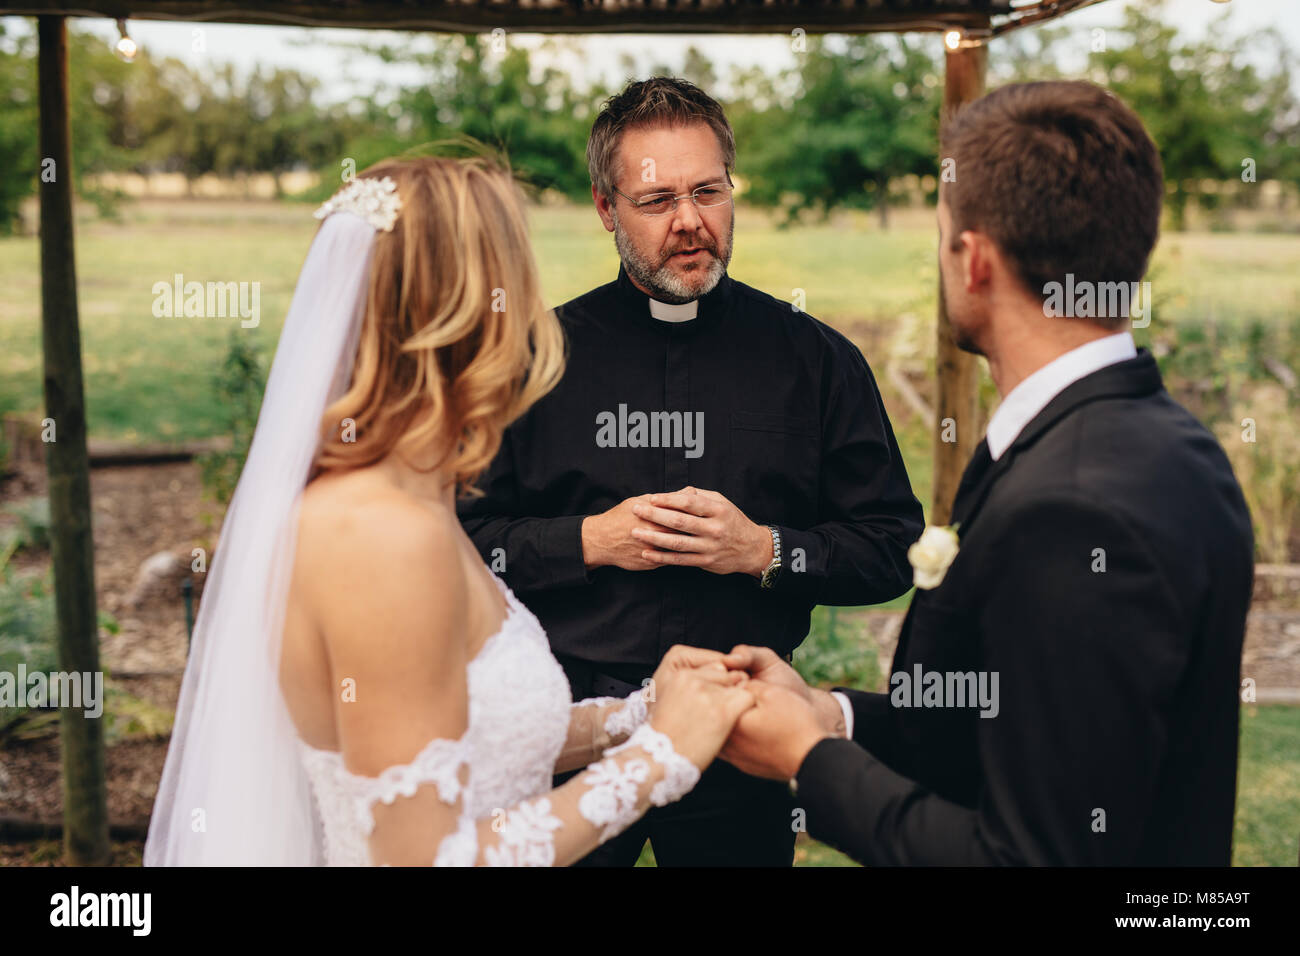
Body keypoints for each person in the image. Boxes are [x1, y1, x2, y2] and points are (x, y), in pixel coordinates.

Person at [144, 154, 755, 866]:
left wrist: (640, 714)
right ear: (469, 314)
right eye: (518, 283)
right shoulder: (378, 536)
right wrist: (660, 759)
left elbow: (463, 734)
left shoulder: (412, 499)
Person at [721, 80, 1255, 866]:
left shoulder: (1074, 507)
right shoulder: (1170, 443)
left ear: (973, 260)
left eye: (941, 239)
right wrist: (829, 715)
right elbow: (1012, 733)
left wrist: (808, 761)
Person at [458, 77, 924, 866]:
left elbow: (891, 547)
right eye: (657, 199)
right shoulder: (531, 362)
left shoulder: (815, 362)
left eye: (708, 192)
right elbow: (458, 542)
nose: (689, 222)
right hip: (563, 736)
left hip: (742, 736)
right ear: (607, 208)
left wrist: (767, 551)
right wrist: (587, 542)